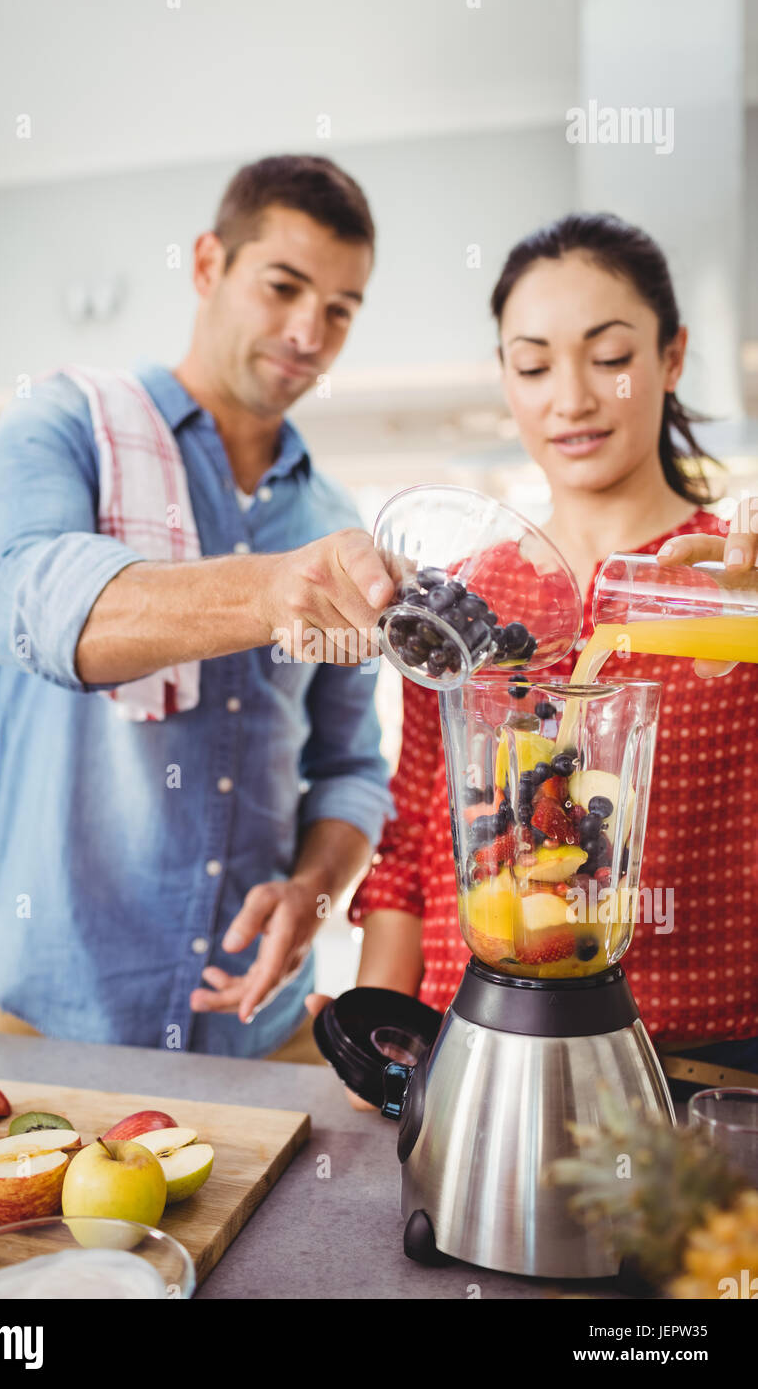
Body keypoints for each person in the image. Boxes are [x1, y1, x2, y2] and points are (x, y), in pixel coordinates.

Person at [318, 212, 758, 1103]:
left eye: (610, 356)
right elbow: (412, 843)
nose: (571, 398)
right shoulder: (459, 604)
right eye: (533, 364)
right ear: (506, 381)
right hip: (470, 1056)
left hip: (704, 1073)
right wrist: (378, 1046)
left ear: (672, 359)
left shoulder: (733, 582)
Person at [0, 154, 397, 1059]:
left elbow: (352, 766)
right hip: (61, 1035)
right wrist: (269, 590)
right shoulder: (64, 426)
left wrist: (315, 891)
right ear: (209, 264)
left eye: (339, 311)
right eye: (283, 286)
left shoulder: (331, 518)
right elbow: (39, 611)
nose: (307, 331)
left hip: (263, 1032)